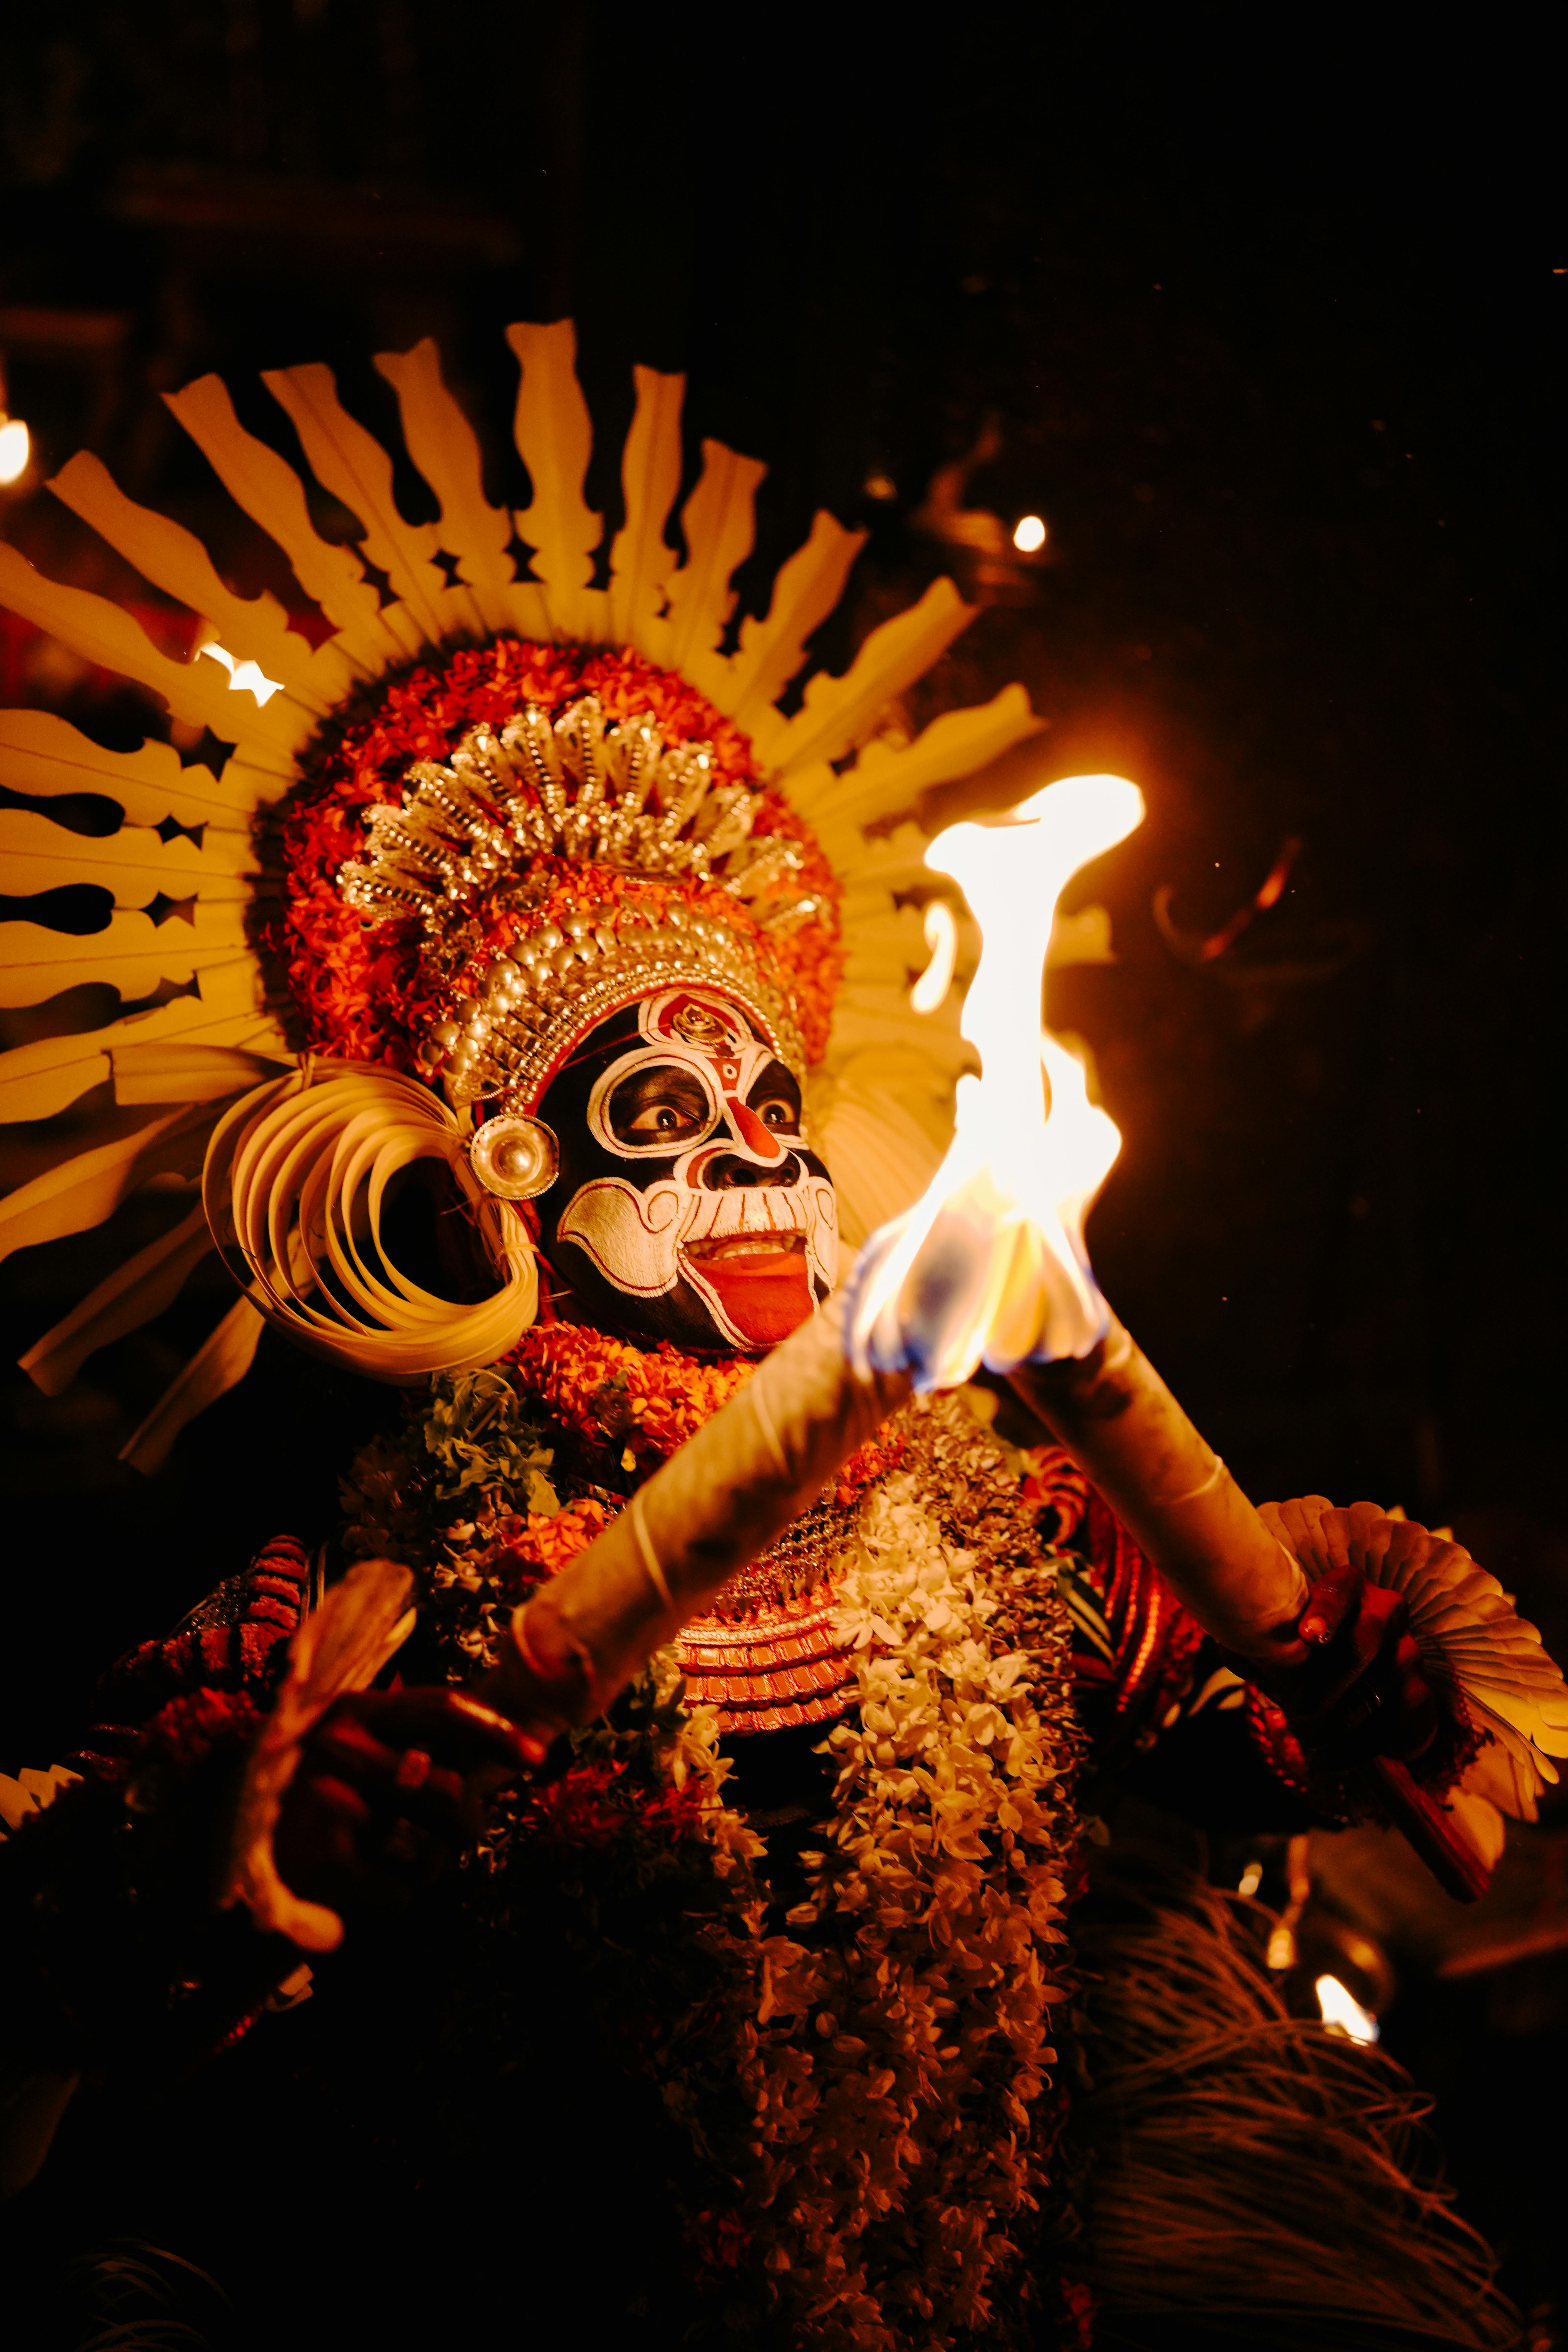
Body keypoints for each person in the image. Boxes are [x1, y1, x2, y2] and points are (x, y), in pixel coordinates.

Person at [0, 329, 1537, 2351]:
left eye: (772, 1116)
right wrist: (269, 1826)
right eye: (662, 1118)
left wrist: (1352, 1683)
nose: (749, 1165)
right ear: (511, 1177)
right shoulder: (385, 1581)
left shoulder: (1020, 1544)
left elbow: (1291, 1751)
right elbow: (86, 1929)